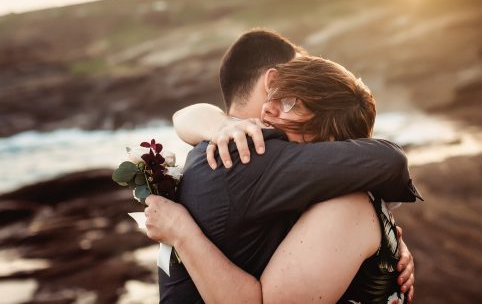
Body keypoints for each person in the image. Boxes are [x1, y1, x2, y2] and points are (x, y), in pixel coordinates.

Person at [144, 30, 419, 303]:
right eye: (289, 86)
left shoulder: (215, 151)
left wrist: (382, 233)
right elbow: (388, 161)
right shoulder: (249, 155)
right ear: (272, 79)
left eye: (292, 98)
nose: (273, 106)